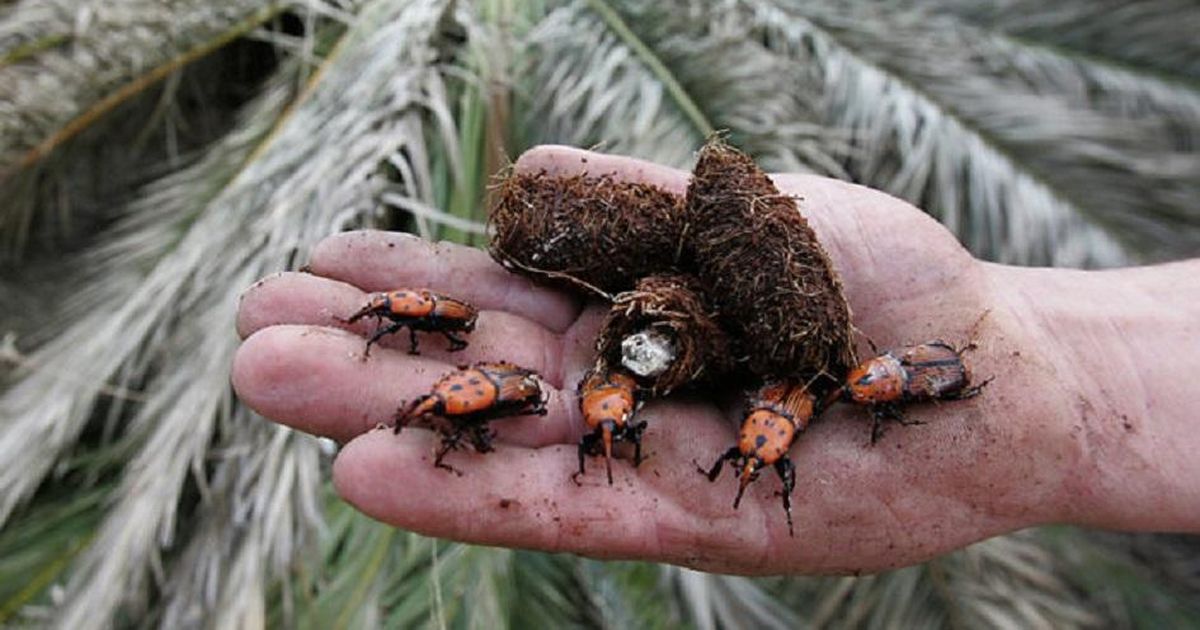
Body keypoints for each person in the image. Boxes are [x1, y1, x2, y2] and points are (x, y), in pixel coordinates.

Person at [231, 146, 1200, 575]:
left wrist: (1050, 359)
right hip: (649, 355)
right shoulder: (643, 389)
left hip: (698, 361)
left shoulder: (802, 388)